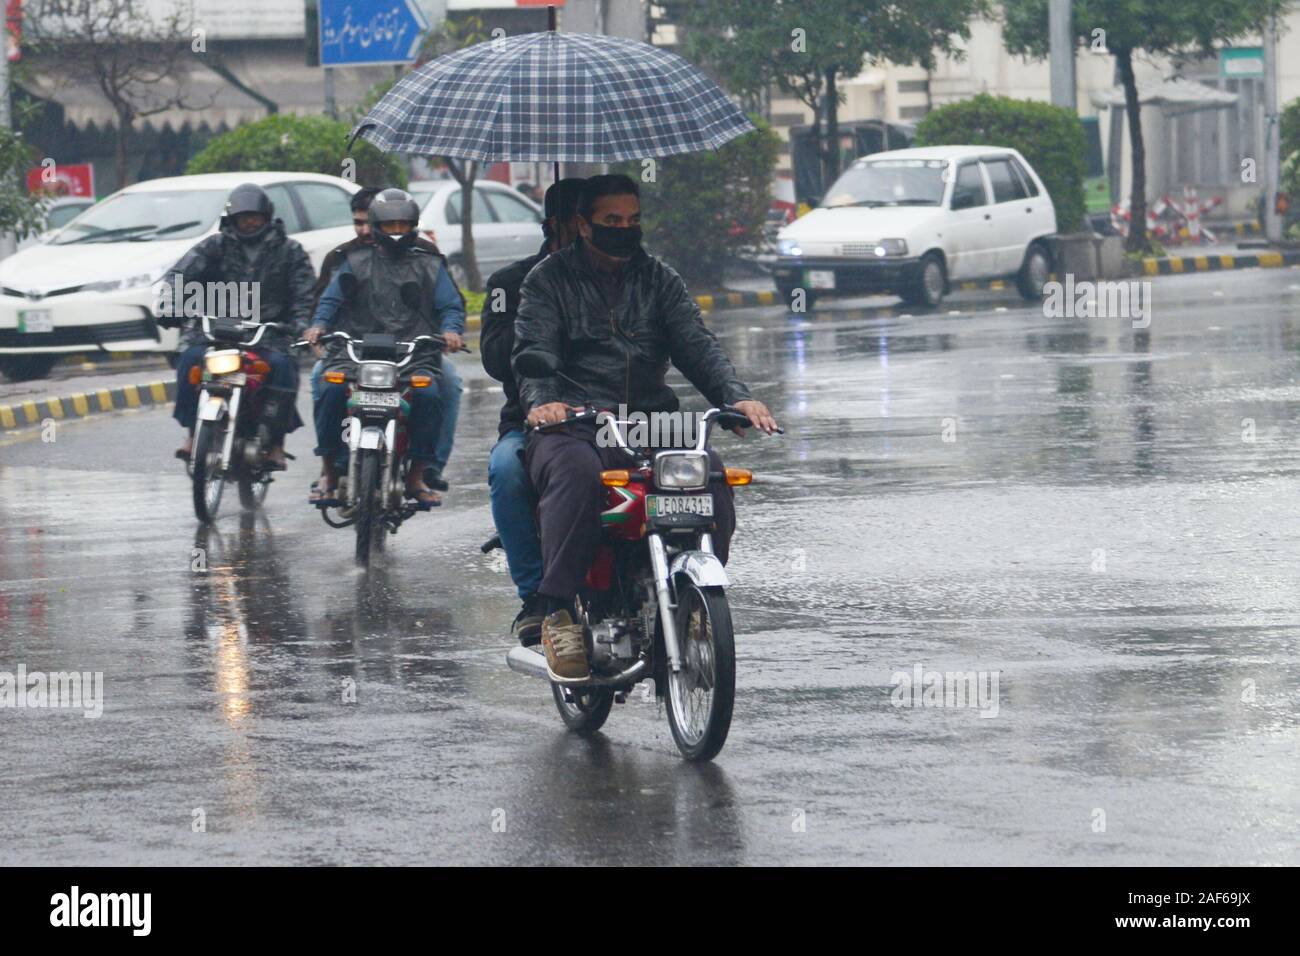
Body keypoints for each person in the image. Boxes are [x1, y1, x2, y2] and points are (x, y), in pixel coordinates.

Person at [512, 174, 778, 681]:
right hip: (576, 424)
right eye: (612, 222)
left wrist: (735, 396)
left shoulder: (660, 279)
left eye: (633, 221)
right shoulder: (546, 282)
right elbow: (533, 352)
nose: (625, 230)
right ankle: (556, 606)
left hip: (650, 423)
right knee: (574, 473)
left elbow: (697, 345)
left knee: (712, 478)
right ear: (584, 226)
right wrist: (546, 403)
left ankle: (695, 599)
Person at [304, 188, 465, 507]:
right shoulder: (349, 259)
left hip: (413, 352)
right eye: (389, 226)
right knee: (329, 388)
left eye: (401, 226)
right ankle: (329, 471)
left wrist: (451, 331)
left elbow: (450, 305)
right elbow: (330, 300)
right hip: (357, 351)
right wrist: (319, 325)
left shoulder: (429, 261)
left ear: (412, 225)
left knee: (431, 393)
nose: (395, 232)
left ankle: (419, 473)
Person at [482, 177, 586, 646]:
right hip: (530, 420)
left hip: (615, 419)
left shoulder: (624, 279)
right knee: (507, 469)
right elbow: (496, 359)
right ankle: (536, 598)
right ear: (555, 227)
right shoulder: (509, 283)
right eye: (581, 225)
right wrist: (538, 307)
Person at [164, 183, 314, 467]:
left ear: (267, 216)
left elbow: (304, 293)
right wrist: (171, 305)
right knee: (189, 359)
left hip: (269, 334)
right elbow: (179, 275)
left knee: (282, 367)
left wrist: (300, 323)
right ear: (232, 219)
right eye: (243, 217)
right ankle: (193, 434)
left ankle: (276, 444)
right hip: (217, 333)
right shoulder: (213, 246)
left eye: (254, 216)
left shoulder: (290, 250)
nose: (249, 222)